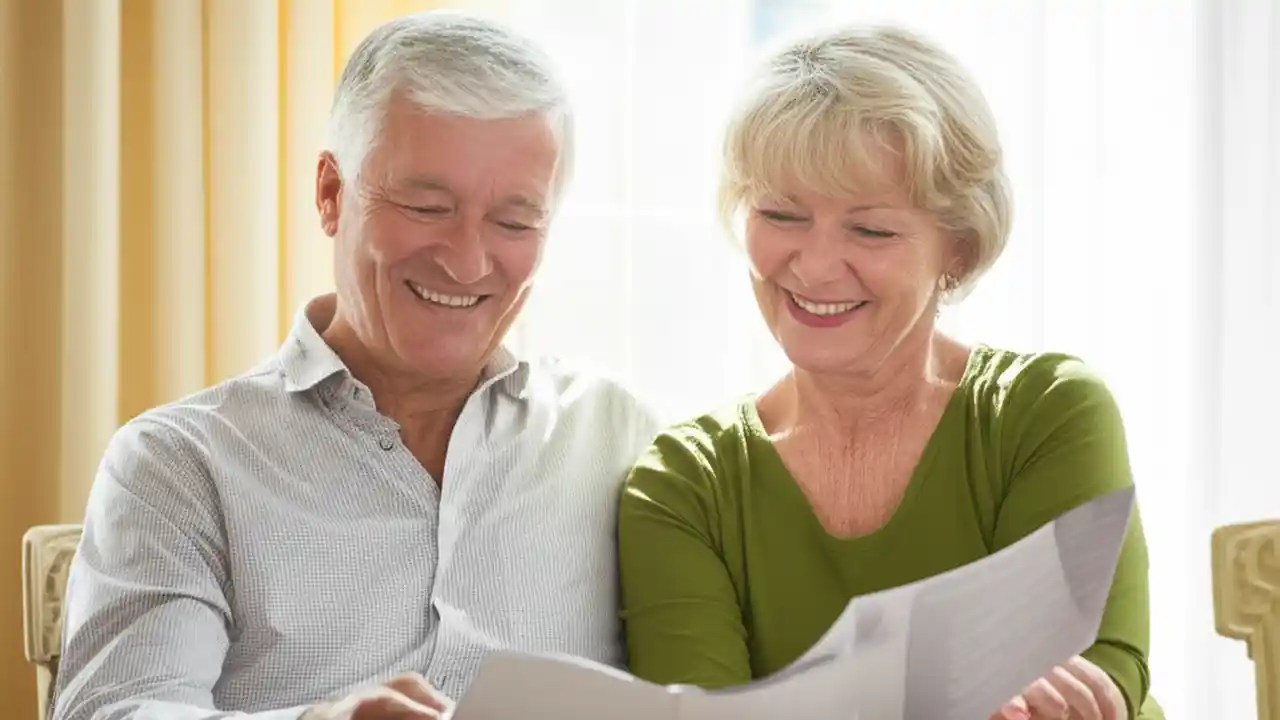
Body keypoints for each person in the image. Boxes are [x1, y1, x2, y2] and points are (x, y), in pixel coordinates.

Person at [52, 12, 660, 720]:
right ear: (331, 194)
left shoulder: (621, 438)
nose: (467, 261)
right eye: (426, 206)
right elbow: (122, 709)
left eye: (515, 222)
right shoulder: (180, 463)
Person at [618, 25, 1163, 720]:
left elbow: (1100, 675)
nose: (813, 267)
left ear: (957, 249)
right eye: (781, 214)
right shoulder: (684, 484)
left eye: (869, 230)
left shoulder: (1047, 414)